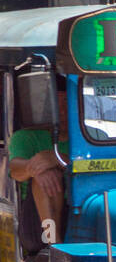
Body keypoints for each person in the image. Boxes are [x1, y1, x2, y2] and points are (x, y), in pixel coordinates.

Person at [7, 78, 69, 250]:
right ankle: (55, 247)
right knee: (46, 177)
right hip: (39, 225)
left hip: (81, 211)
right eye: (57, 104)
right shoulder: (27, 137)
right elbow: (15, 169)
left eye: (67, 102)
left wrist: (59, 158)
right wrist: (35, 167)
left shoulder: (95, 136)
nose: (62, 111)